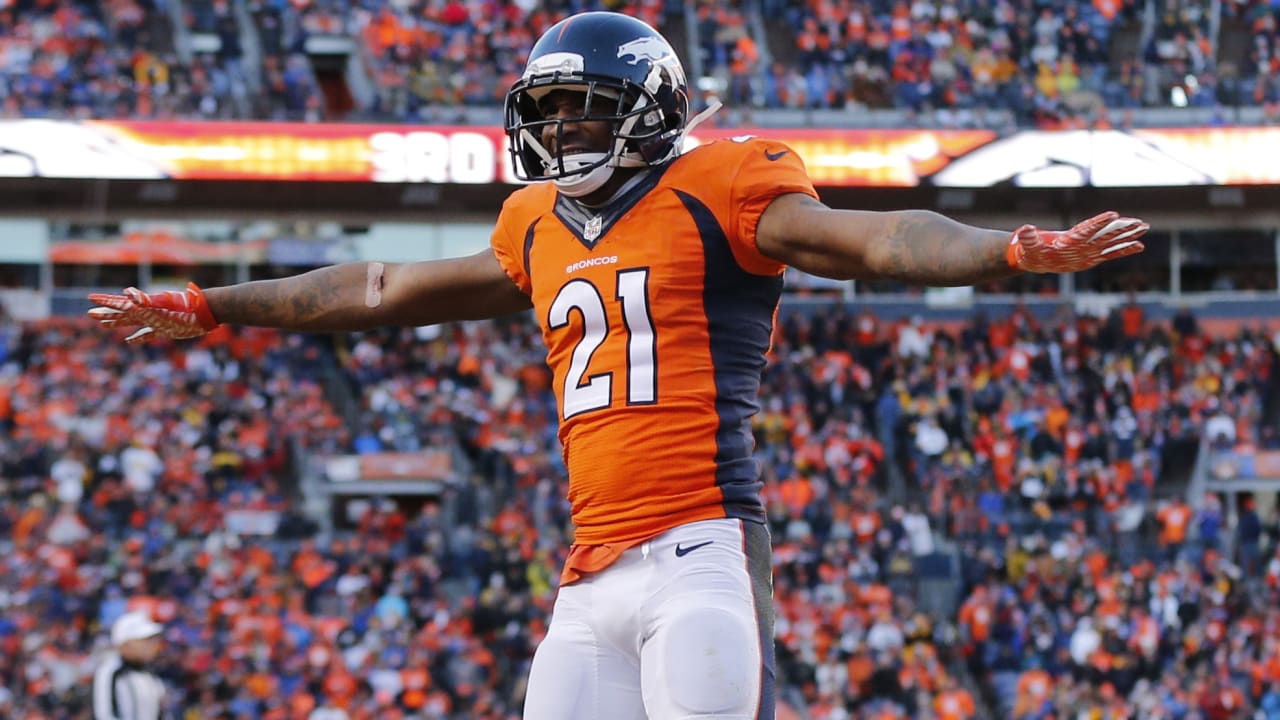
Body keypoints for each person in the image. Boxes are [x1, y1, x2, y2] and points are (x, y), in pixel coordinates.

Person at [88, 12, 1148, 720]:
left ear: (645, 106)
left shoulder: (725, 184)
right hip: (587, 575)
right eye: (543, 109)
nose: (554, 127)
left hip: (703, 549)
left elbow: (872, 243)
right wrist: (211, 306)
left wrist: (1002, 250)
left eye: (577, 106)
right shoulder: (534, 222)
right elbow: (379, 292)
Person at [93, 611, 166, 720]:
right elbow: (104, 715)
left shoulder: (151, 675)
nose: (151, 645)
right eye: (144, 640)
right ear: (124, 644)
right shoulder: (111, 672)